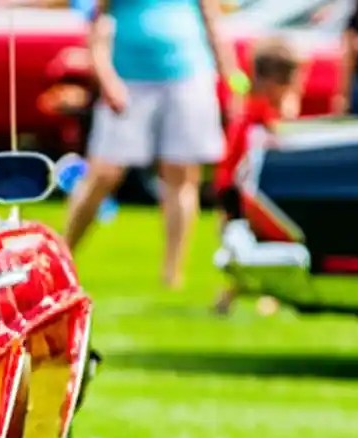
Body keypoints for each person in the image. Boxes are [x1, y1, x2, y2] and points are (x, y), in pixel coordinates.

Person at [63, 0, 244, 289]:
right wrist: (106, 78)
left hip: (189, 74)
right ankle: (63, 255)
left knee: (181, 173)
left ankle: (172, 273)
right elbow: (97, 27)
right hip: (128, 79)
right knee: (104, 172)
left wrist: (232, 78)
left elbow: (212, 21)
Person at [212, 37, 303, 316]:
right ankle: (249, 295)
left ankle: (232, 296)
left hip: (238, 191)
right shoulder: (259, 115)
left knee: (256, 246)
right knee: (259, 246)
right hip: (243, 194)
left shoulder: (250, 111)